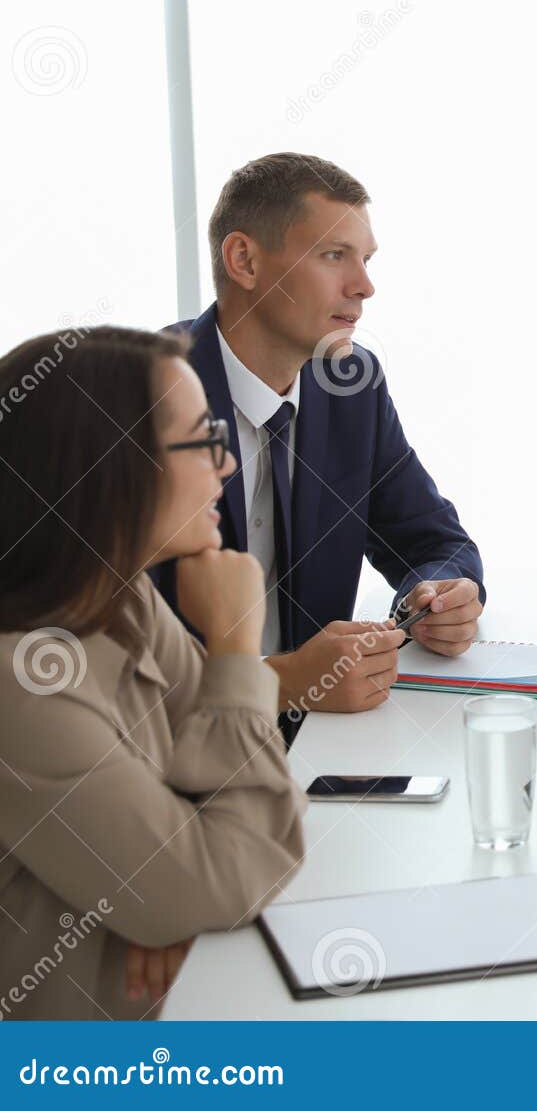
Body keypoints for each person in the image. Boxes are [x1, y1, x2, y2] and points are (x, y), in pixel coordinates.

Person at [0, 326, 307, 1020]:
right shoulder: (22, 685)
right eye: (205, 441)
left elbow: (241, 802)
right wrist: (233, 642)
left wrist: (180, 908)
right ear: (115, 467)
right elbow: (232, 852)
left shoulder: (124, 597)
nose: (227, 467)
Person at [150, 153, 486, 736]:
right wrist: (280, 682)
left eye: (366, 259)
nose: (365, 286)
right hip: (172, 763)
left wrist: (437, 596)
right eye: (335, 256)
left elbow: (432, 540)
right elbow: (96, 663)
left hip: (322, 742)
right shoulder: (143, 396)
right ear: (244, 260)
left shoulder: (350, 386)